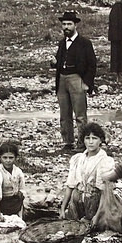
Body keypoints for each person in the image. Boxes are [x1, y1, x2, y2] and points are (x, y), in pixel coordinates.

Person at [52, 11, 97, 152]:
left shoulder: (85, 43)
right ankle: (67, 142)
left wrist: (87, 83)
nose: (66, 27)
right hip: (62, 80)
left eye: (69, 24)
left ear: (75, 25)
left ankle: (82, 143)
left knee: (80, 115)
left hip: (77, 78)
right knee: (64, 114)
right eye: (64, 24)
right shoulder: (61, 43)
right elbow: (60, 62)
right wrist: (54, 63)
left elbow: (92, 64)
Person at [60, 122, 115, 221]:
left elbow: (104, 192)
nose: (90, 142)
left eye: (94, 138)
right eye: (87, 138)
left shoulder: (104, 161)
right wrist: (63, 208)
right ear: (83, 140)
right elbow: (70, 185)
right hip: (77, 202)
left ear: (100, 141)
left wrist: (97, 216)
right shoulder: (78, 159)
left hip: (95, 203)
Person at [0, 141, 26, 221]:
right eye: (5, 157)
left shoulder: (18, 172)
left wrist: (19, 195)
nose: (8, 160)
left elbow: (22, 189)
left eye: (11, 158)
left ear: (15, 158)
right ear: (0, 157)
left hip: (15, 205)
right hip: (2, 205)